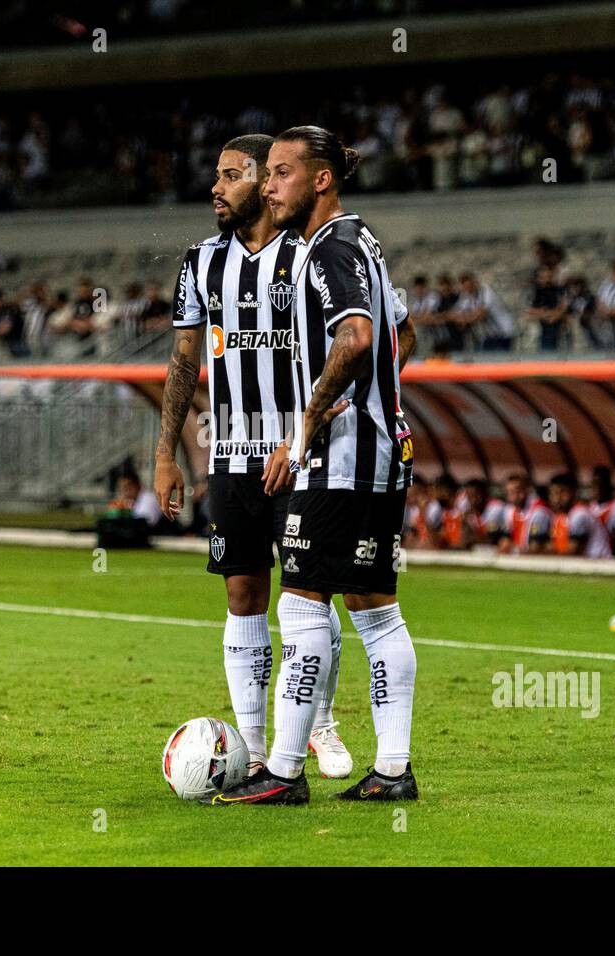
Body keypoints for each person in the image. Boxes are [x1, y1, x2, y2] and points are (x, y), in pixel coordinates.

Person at [214, 126, 418, 805]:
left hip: (341, 462)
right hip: (378, 451)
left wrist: (307, 423)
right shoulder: (358, 242)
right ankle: (393, 771)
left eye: (280, 172)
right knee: (375, 613)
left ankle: (283, 771)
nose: (267, 184)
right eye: (264, 173)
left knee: (301, 607)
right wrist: (367, 402)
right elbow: (400, 334)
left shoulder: (328, 249)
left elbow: (358, 338)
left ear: (320, 180)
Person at [154, 133, 353, 783]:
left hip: (305, 456)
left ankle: (319, 723)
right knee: (242, 592)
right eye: (216, 176)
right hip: (231, 456)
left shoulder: (311, 256)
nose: (216, 187)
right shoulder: (200, 261)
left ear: (269, 181)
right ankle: (255, 747)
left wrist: (306, 427)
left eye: (231, 176)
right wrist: (166, 454)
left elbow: (363, 343)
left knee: (309, 596)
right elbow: (184, 361)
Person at [547, 472, 611, 557]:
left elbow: (574, 551)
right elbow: (552, 547)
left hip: (601, 564)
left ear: (574, 492)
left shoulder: (580, 513)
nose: (557, 499)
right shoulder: (561, 517)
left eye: (562, 492)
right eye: (553, 494)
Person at [498, 472, 552, 554]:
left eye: (517, 491)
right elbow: (505, 542)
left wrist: (512, 550)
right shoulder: (509, 510)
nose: (514, 496)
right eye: (510, 492)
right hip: (520, 554)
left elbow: (535, 547)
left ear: (528, 490)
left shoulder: (539, 511)